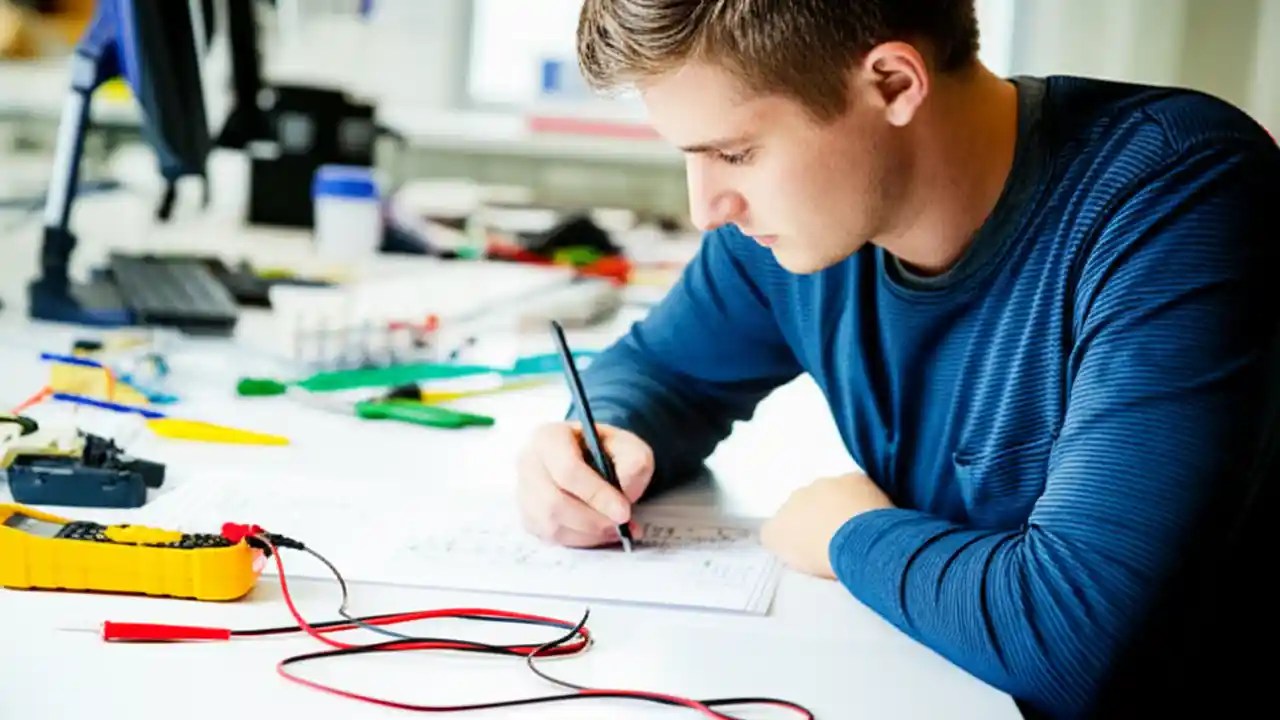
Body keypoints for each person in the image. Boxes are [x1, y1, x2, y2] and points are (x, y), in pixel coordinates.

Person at [514, 1, 1280, 717]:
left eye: (737, 153)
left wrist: (849, 533)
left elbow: (1077, 639)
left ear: (892, 83)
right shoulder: (797, 236)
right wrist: (606, 438)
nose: (706, 207)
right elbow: (661, 373)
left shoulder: (1179, 194)